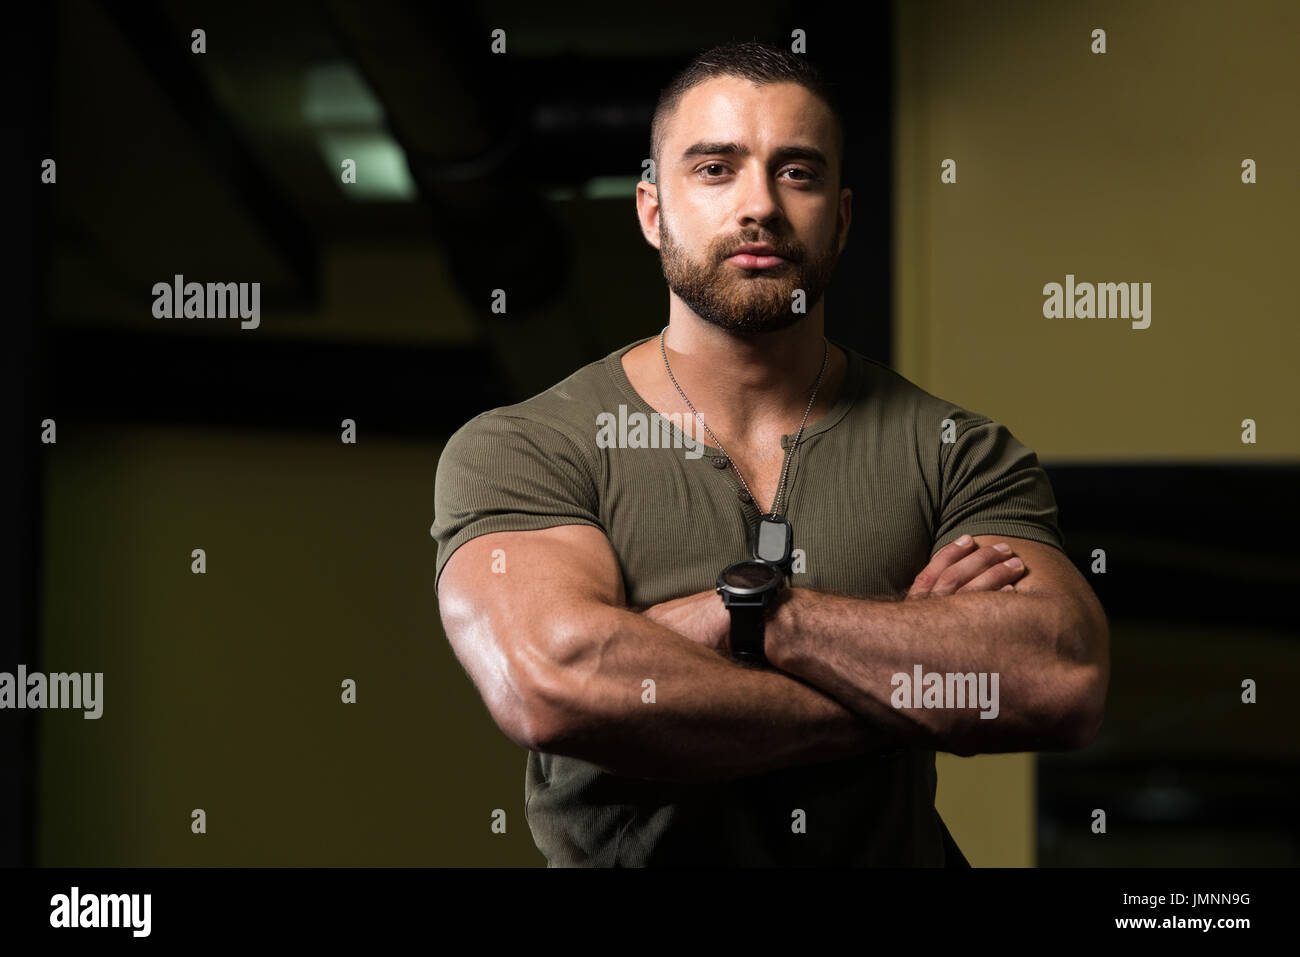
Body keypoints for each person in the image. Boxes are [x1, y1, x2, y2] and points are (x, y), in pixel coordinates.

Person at [431, 41, 1108, 867]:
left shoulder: (956, 452)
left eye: (798, 172)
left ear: (843, 216)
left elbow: (1060, 677)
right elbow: (556, 681)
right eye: (715, 169)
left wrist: (752, 615)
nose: (760, 205)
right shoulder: (525, 446)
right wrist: (907, 678)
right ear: (652, 210)